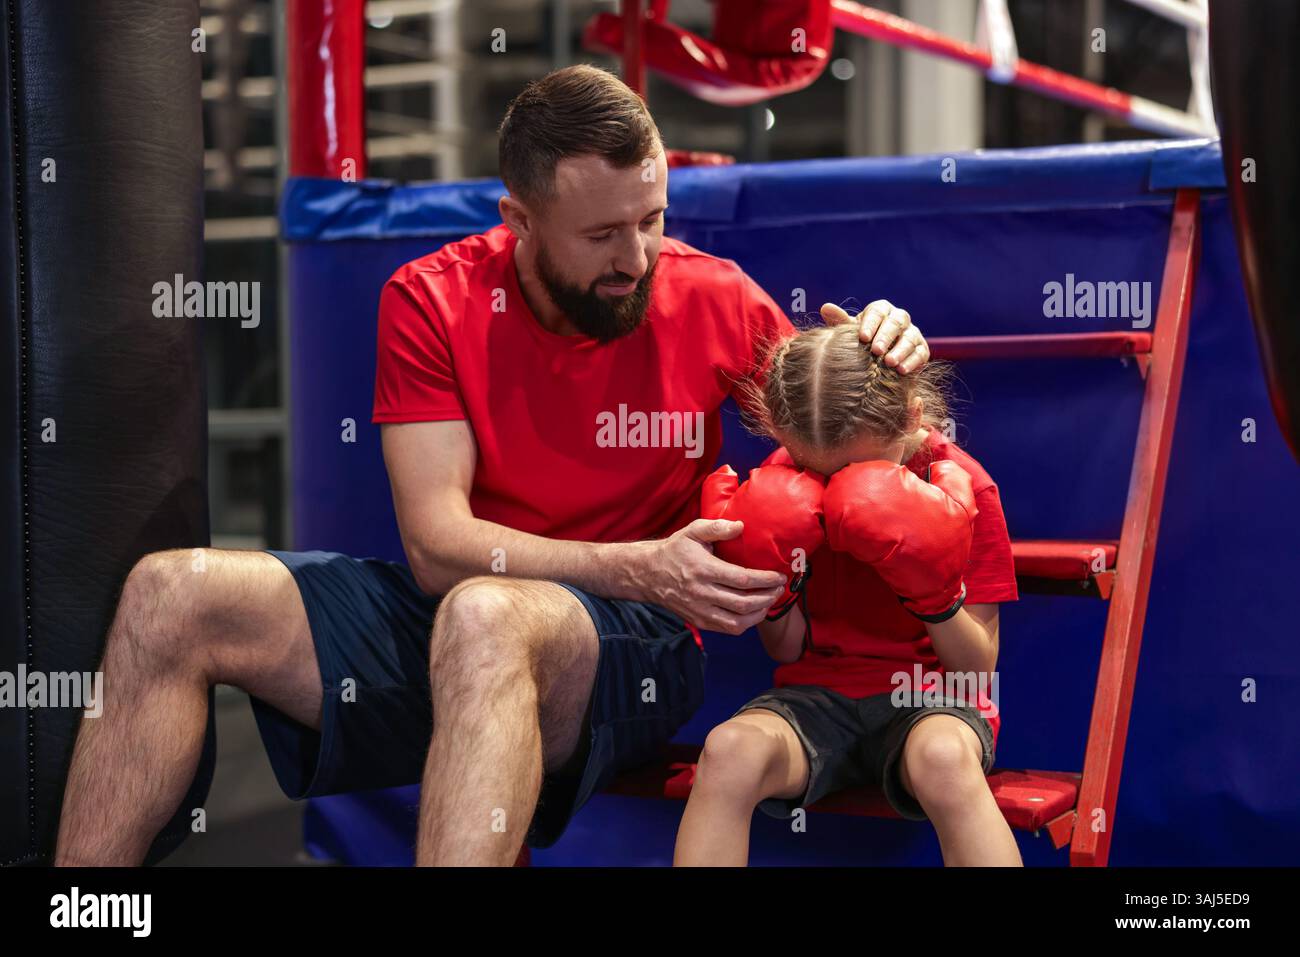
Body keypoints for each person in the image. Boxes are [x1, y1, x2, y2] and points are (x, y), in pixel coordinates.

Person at [55, 64, 933, 867]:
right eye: (601, 234)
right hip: (472, 610)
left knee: (486, 617)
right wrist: (638, 561)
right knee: (173, 593)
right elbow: (438, 546)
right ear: (517, 219)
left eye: (652, 220)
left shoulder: (711, 295)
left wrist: (891, 354)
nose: (636, 258)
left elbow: (865, 431)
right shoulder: (432, 298)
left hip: (634, 640)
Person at [675, 321, 1022, 866]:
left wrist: (934, 595)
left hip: (931, 701)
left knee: (943, 758)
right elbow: (785, 650)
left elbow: (976, 666)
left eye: (858, 469)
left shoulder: (961, 486)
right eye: (814, 468)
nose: (834, 486)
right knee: (727, 751)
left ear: (912, 417)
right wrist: (775, 594)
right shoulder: (777, 479)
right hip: (817, 698)